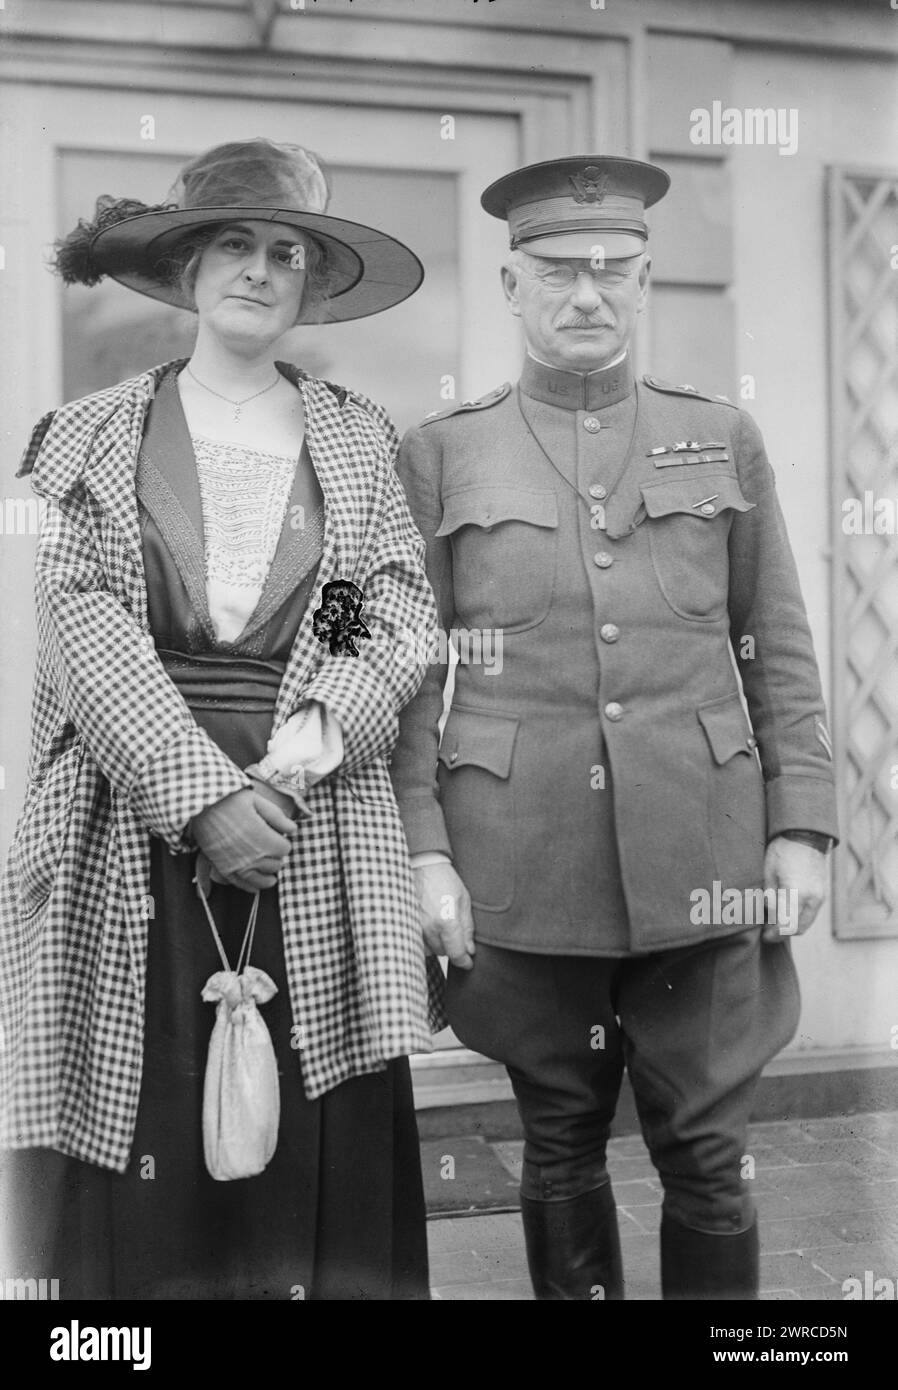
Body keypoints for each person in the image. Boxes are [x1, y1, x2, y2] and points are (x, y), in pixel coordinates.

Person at [0, 138, 443, 1301]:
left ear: (310, 281)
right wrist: (203, 797)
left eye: (284, 251)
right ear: (189, 266)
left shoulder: (354, 436)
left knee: (317, 1112)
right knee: (138, 1112)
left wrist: (293, 763)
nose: (258, 270)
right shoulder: (78, 438)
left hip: (311, 811)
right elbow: (80, 618)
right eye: (233, 245)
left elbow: (382, 608)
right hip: (129, 811)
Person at [390, 155, 838, 1301]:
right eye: (558, 271)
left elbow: (775, 643)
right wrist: (427, 853)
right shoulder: (442, 454)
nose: (586, 293)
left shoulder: (719, 437)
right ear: (510, 285)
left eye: (612, 271)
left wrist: (801, 826)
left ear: (643, 287)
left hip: (702, 853)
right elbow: (405, 677)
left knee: (706, 1151)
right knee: (556, 1139)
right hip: (520, 861)